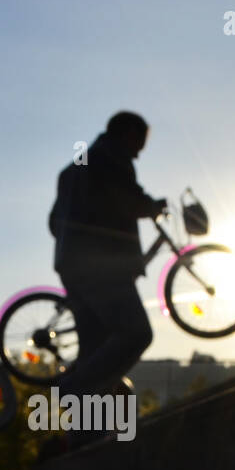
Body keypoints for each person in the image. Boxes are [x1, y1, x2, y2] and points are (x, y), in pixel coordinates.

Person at [48, 111, 166, 405]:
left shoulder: (73, 169)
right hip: (103, 267)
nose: (140, 152)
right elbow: (127, 200)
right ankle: (72, 388)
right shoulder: (112, 157)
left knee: (94, 348)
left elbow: (54, 223)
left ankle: (86, 437)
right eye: (141, 142)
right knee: (136, 333)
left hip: (71, 266)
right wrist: (152, 206)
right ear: (128, 134)